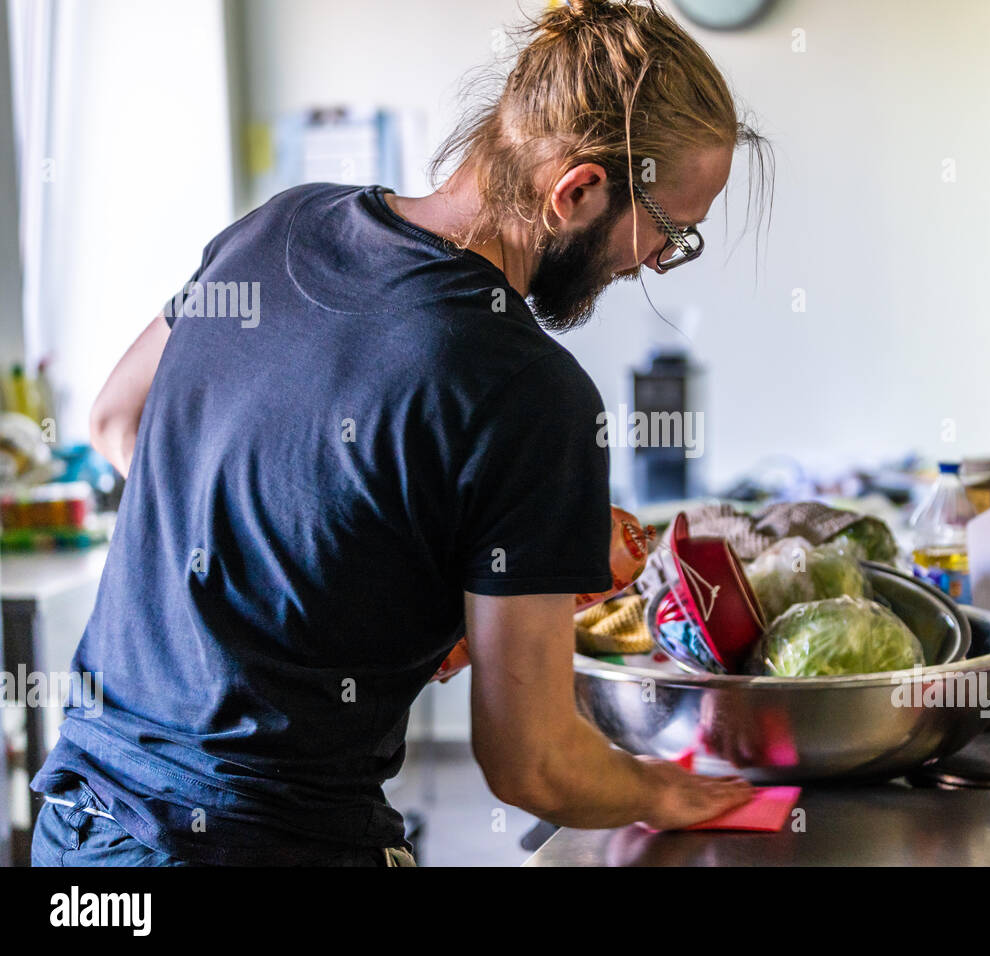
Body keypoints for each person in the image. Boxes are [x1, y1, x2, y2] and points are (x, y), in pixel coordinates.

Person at [30, 0, 770, 866]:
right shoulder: (530, 390)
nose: (655, 259)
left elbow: (120, 420)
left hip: (79, 827)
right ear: (578, 190)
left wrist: (359, 596)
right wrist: (670, 790)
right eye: (672, 234)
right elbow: (534, 765)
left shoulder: (282, 225)